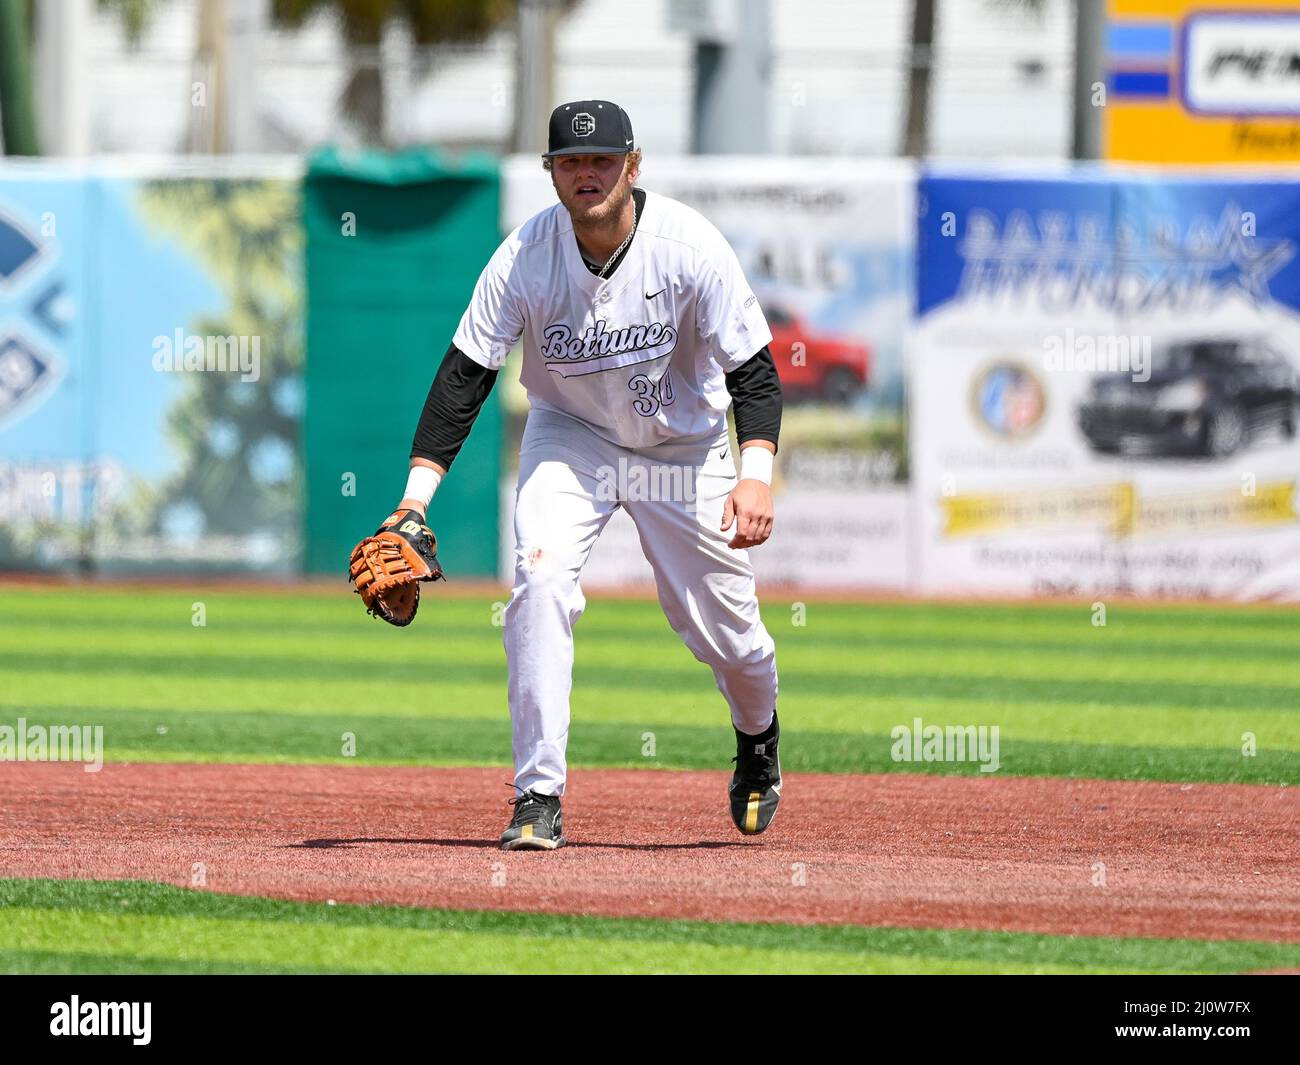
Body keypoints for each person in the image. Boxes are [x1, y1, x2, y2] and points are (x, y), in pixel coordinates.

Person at [392, 100, 783, 850]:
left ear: (633, 167)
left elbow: (755, 373)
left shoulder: (689, 246)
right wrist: (414, 503)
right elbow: (464, 376)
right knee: (538, 582)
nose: (587, 174)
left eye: (602, 160)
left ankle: (757, 735)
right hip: (571, 439)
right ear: (550, 174)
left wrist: (757, 473)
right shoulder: (524, 257)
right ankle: (538, 794)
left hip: (684, 450)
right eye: (570, 162)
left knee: (729, 637)